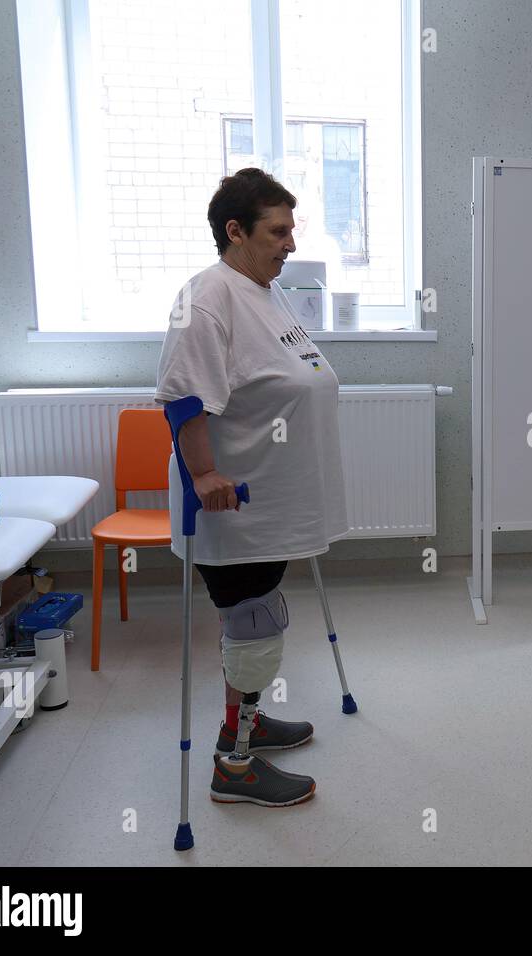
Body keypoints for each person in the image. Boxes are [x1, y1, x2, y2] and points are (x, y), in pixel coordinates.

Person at [155, 167, 348, 807]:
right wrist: (205, 473)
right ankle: (233, 766)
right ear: (235, 231)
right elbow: (184, 399)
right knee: (254, 623)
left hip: (277, 500)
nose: (290, 244)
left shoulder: (264, 292)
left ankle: (250, 721)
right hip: (236, 506)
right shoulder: (207, 298)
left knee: (256, 619)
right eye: (278, 231)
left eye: (292, 230)